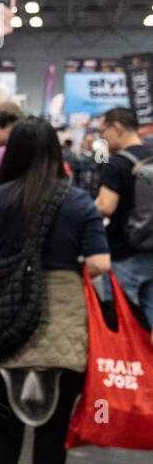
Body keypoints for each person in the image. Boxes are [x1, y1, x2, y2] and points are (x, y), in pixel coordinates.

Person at [0, 118, 109, 464]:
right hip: (65, 322)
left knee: (8, 413)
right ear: (55, 154)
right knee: (52, 424)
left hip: (12, 317)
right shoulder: (79, 201)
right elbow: (101, 264)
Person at [95, 107, 153, 328]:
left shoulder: (116, 164)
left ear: (117, 128)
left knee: (121, 319)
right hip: (151, 249)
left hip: (124, 253)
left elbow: (106, 207)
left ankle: (127, 361)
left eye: (104, 132)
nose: (103, 139)